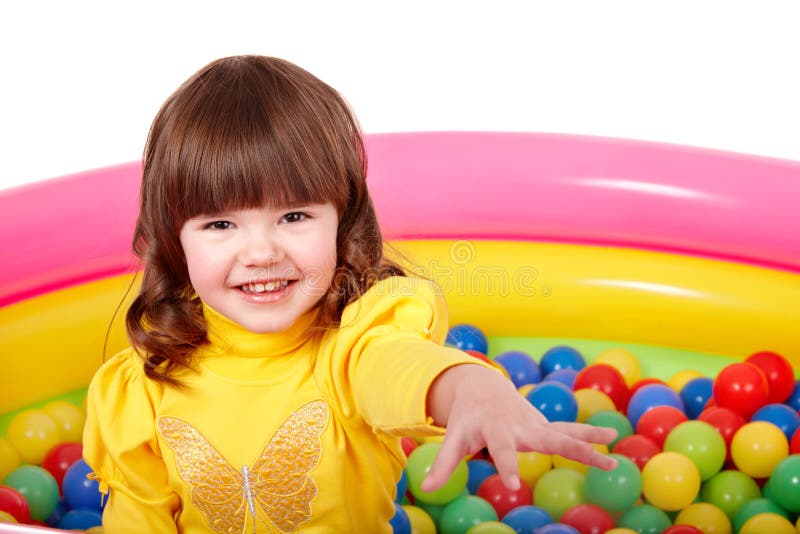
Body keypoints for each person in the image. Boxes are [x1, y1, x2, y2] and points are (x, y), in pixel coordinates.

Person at [82, 55, 617, 533]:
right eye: (220, 225)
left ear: (342, 221)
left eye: (294, 216)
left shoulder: (353, 340)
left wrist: (469, 387)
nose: (261, 252)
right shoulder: (144, 388)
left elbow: (396, 368)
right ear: (175, 240)